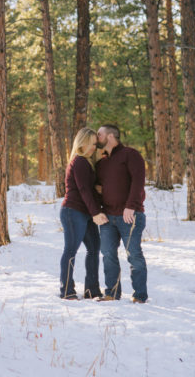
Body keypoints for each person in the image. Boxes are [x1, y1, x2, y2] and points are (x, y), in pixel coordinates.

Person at [93, 124, 148, 303]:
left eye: (99, 134)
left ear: (110, 136)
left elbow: (138, 181)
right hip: (108, 216)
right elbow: (100, 188)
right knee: (108, 254)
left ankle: (139, 296)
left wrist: (131, 206)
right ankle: (112, 293)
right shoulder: (101, 163)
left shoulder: (130, 155)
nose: (96, 137)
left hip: (130, 215)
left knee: (133, 254)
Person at [59, 127, 103, 300]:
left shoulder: (87, 162)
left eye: (95, 144)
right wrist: (96, 213)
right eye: (91, 143)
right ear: (82, 142)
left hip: (86, 212)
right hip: (73, 211)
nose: (94, 147)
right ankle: (67, 290)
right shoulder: (79, 161)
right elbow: (83, 190)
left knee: (94, 248)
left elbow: (88, 187)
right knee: (71, 250)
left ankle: (92, 290)